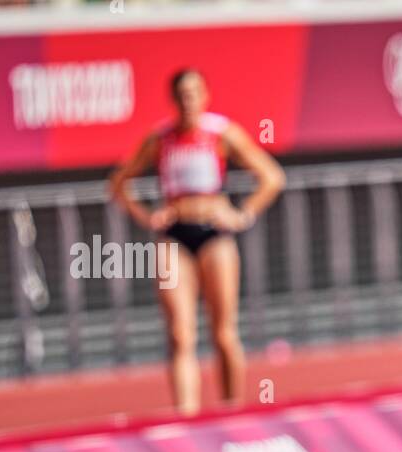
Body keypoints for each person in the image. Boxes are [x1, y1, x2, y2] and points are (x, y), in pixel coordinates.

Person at [109, 68, 285, 416]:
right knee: (180, 333)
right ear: (173, 99)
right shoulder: (160, 138)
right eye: (182, 94)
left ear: (205, 95)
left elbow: (271, 176)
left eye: (194, 92)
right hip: (174, 237)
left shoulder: (221, 133)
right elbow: (118, 182)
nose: (188, 100)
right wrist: (147, 215)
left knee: (223, 332)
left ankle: (232, 410)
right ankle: (185, 416)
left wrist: (242, 213)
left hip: (214, 234)